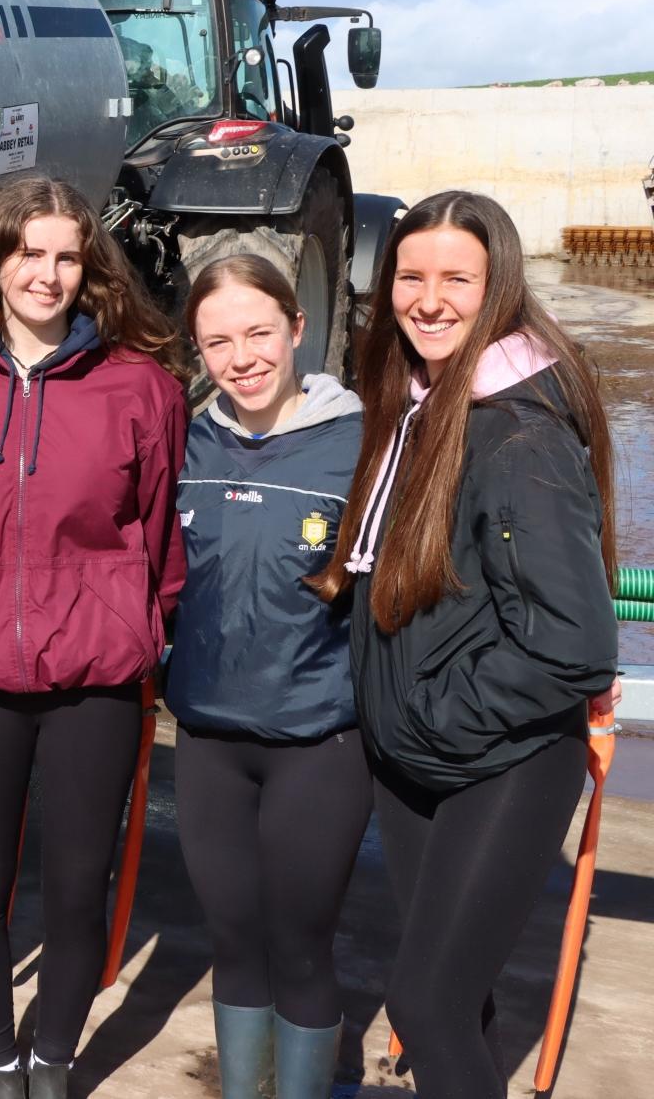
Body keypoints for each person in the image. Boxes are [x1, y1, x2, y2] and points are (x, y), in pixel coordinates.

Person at [308, 190, 619, 1099]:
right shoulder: (412, 404)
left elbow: (575, 642)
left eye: (458, 279)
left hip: (502, 759)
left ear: (500, 289)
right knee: (460, 1001)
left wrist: (434, 710)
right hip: (415, 756)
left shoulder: (518, 432)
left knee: (428, 1004)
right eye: (411, 276)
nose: (429, 299)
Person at [0, 177, 188, 1099]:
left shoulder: (139, 388)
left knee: (76, 887)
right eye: (30, 253)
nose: (49, 274)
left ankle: (54, 1059)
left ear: (89, 267)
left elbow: (163, 534)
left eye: (67, 256)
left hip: (95, 679)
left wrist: (138, 626)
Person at [164, 254, 368, 1099]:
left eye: (257, 333)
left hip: (318, 740)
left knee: (300, 944)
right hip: (209, 736)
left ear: (296, 328)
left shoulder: (360, 442)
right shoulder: (185, 439)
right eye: (217, 341)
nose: (241, 357)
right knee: (235, 940)